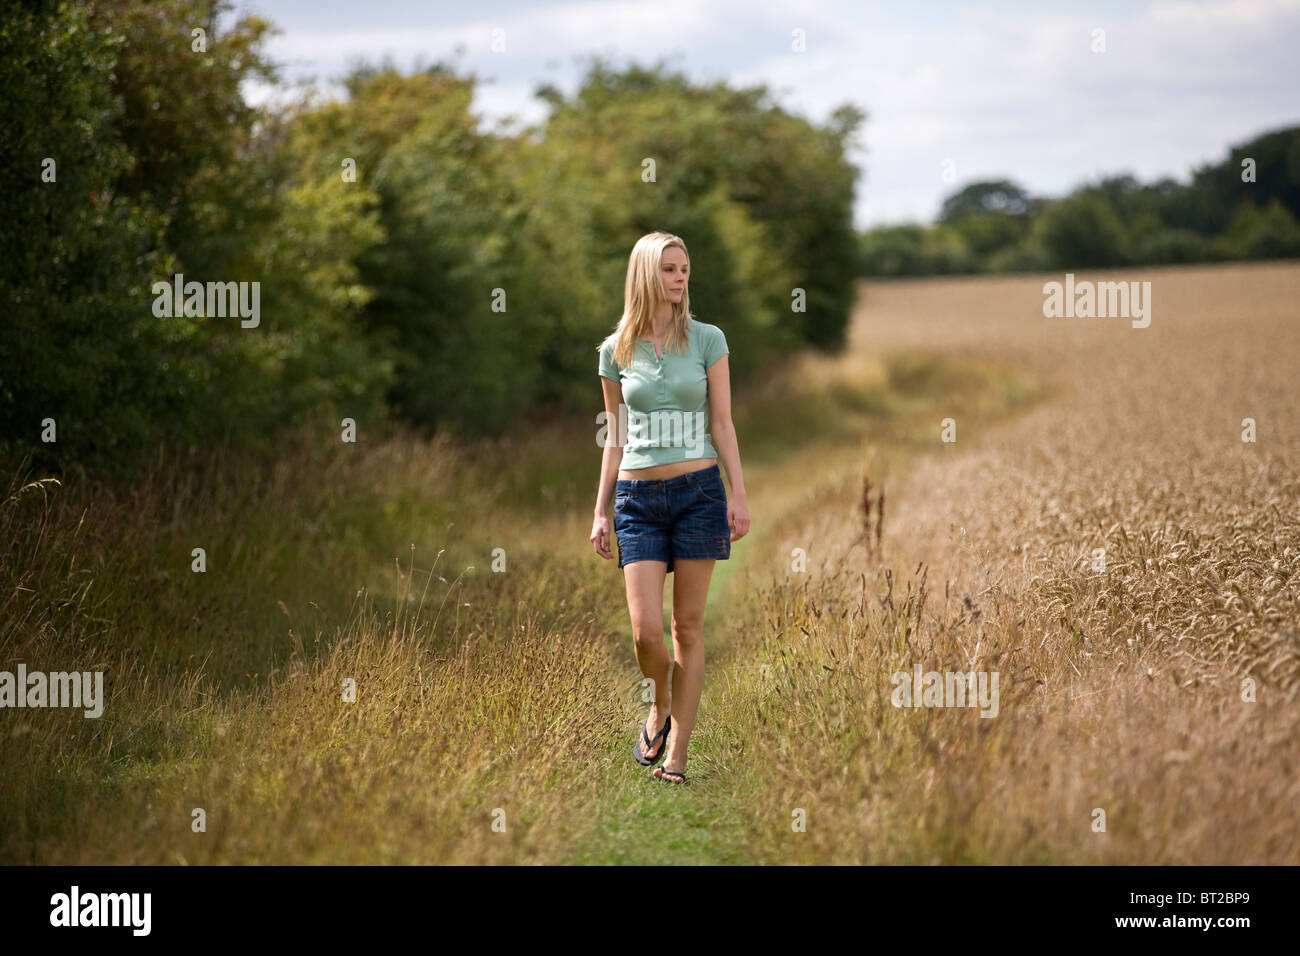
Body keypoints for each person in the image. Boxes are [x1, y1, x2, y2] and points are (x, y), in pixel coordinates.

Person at [590, 231, 750, 785]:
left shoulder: (708, 339)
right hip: (637, 499)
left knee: (687, 626)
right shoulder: (616, 349)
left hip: (700, 492)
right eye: (669, 270)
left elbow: (723, 423)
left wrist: (739, 492)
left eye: (684, 269)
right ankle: (659, 701)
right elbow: (614, 434)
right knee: (646, 633)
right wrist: (601, 509)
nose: (680, 278)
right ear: (645, 275)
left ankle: (677, 759)